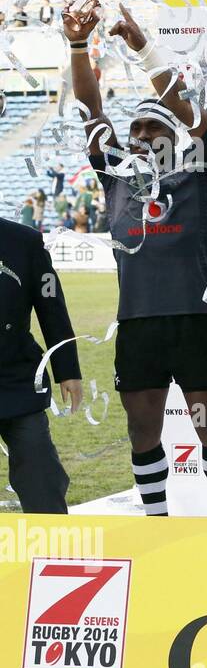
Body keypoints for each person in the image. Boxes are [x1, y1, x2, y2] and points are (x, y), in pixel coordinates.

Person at [65, 0, 207, 517]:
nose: (140, 137)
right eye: (136, 129)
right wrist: (80, 45)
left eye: (153, 129)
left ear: (175, 138)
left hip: (193, 319)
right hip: (138, 323)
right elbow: (91, 110)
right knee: (142, 432)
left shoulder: (194, 168)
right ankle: (156, 523)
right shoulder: (115, 176)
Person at [0, 216, 82, 513]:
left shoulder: (24, 241)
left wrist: (67, 369)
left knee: (40, 470)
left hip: (16, 378)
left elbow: (51, 306)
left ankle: (51, 545)